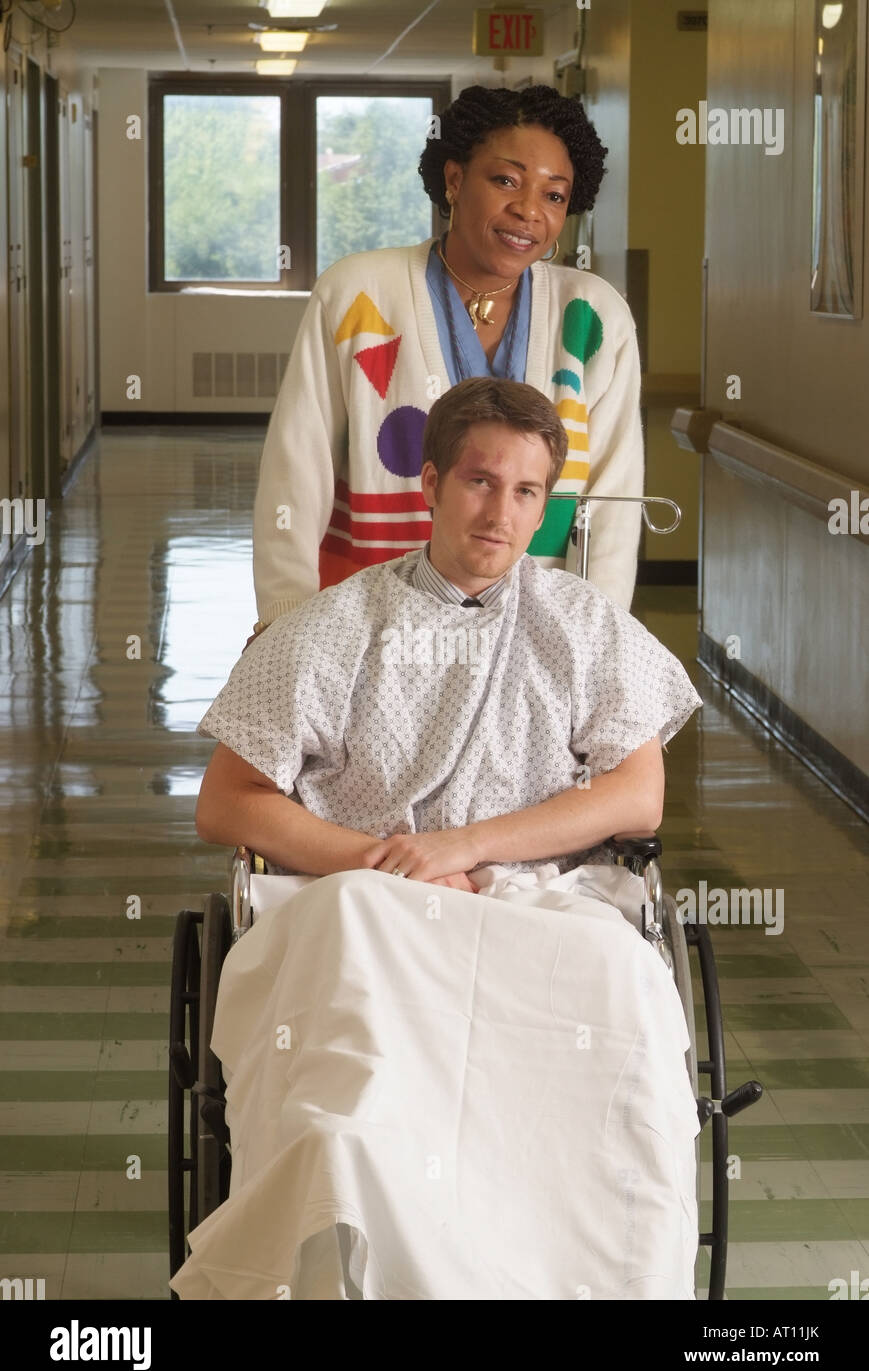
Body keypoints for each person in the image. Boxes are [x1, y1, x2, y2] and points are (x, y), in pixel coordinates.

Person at [171, 379, 701, 1301]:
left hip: (536, 898)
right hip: (363, 900)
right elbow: (228, 803)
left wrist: (459, 849)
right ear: (429, 482)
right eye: (479, 482)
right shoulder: (337, 624)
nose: (501, 514)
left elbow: (637, 797)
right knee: (357, 1076)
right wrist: (387, 862)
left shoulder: (579, 625)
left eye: (528, 492)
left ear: (547, 505)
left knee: (619, 986)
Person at [250, 84, 644, 643]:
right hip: (371, 626)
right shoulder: (360, 291)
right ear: (455, 180)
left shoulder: (592, 316)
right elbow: (297, 464)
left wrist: (602, 639)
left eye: (554, 196)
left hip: (535, 634)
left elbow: (614, 496)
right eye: (505, 180)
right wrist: (285, 622)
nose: (529, 211)